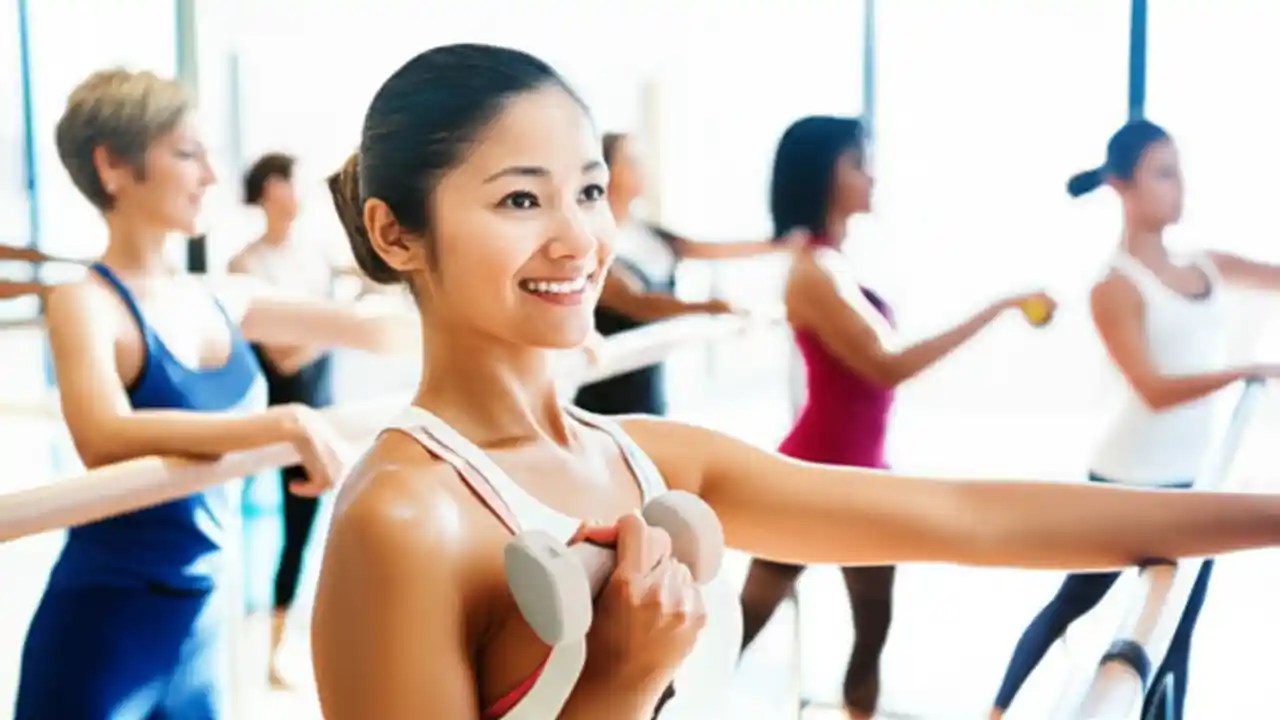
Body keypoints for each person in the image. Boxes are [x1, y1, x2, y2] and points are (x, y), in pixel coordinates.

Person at [309, 44, 1280, 720]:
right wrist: (618, 678)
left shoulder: (645, 460)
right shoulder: (401, 518)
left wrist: (1264, 516)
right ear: (397, 233)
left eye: (589, 190)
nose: (579, 237)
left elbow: (963, 518)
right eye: (521, 198)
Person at [14, 68, 417, 720]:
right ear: (113, 165)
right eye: (187, 153)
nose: (209, 175)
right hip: (106, 626)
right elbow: (103, 434)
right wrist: (280, 424)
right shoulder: (84, 303)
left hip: (204, 624)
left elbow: (376, 328)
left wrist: (531, 326)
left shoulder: (223, 299)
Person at [735, 115, 1056, 719]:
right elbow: (888, 366)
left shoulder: (834, 262)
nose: (871, 174)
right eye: (858, 163)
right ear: (823, 176)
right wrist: (999, 307)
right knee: (740, 632)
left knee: (872, 630)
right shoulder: (814, 270)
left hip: (862, 473)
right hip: (813, 477)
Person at [988, 119, 1280, 720]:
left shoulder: (1211, 263)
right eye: (1164, 173)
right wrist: (1247, 370)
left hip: (1196, 485)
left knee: (1174, 633)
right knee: (1072, 607)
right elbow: (1153, 389)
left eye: (1180, 172)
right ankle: (998, 712)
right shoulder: (1112, 285)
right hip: (1125, 478)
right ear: (1123, 185)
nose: (1179, 187)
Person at [573, 131, 797, 416]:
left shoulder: (649, 234)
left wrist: (779, 245)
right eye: (630, 160)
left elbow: (708, 249)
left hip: (648, 381)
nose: (642, 168)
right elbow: (638, 303)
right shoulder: (590, 242)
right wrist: (709, 307)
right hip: (608, 390)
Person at [229, 151, 338, 688]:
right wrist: (345, 327)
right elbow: (283, 355)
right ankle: (270, 651)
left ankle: (296, 645)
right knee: (285, 533)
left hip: (327, 409)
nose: (302, 193)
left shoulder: (314, 253)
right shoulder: (246, 265)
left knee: (314, 531)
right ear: (271, 188)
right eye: (294, 183)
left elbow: (306, 342)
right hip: (278, 417)